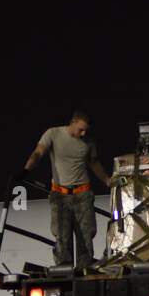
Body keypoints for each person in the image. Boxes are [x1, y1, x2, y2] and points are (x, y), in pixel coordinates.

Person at [23, 110, 111, 268]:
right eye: (81, 129)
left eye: (86, 131)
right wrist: (26, 170)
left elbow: (94, 162)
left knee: (86, 234)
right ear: (73, 122)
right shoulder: (53, 134)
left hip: (83, 193)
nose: (83, 133)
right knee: (62, 234)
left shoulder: (88, 141)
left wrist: (106, 180)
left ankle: (85, 265)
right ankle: (64, 266)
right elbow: (38, 153)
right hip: (60, 194)